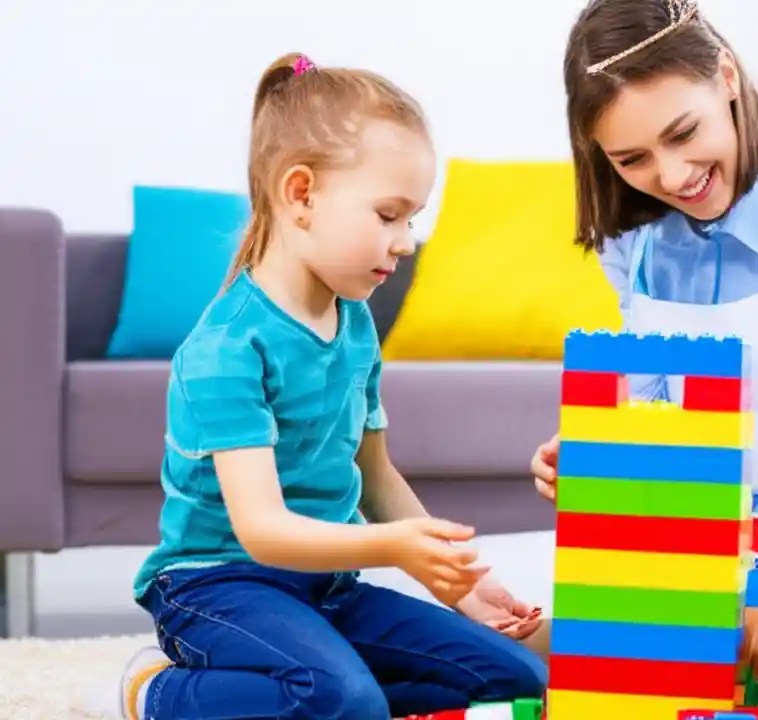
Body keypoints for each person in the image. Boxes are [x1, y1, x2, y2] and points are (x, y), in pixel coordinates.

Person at [110, 52, 547, 720]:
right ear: (302, 194)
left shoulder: (355, 325)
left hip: (324, 588)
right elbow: (261, 532)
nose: (404, 242)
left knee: (518, 681)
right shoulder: (226, 347)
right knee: (338, 697)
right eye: (388, 213)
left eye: (412, 218)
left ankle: (328, 688)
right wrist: (393, 548)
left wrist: (463, 587)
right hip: (215, 588)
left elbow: (374, 479)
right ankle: (155, 692)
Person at [528, 0, 758, 705]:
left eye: (683, 132)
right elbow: (661, 413)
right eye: (632, 158)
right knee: (541, 647)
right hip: (684, 527)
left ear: (726, 74)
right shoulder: (629, 239)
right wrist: (602, 447)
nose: (671, 176)